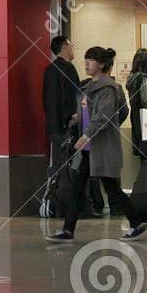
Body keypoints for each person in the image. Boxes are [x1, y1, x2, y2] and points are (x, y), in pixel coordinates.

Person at [48, 46, 146, 242]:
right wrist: (76, 119)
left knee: (112, 188)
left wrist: (87, 135)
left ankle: (137, 224)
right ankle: (68, 230)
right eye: (86, 60)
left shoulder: (108, 88)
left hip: (100, 147)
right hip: (88, 149)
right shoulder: (87, 87)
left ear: (101, 64)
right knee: (77, 187)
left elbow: (104, 116)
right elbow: (89, 113)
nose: (87, 64)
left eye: (91, 60)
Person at [42, 36, 84, 213]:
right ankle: (69, 205)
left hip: (53, 127)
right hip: (69, 127)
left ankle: (55, 204)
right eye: (71, 45)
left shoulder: (49, 70)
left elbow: (47, 100)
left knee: (58, 165)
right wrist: (73, 116)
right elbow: (74, 96)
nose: (73, 48)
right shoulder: (69, 69)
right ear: (65, 47)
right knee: (72, 167)